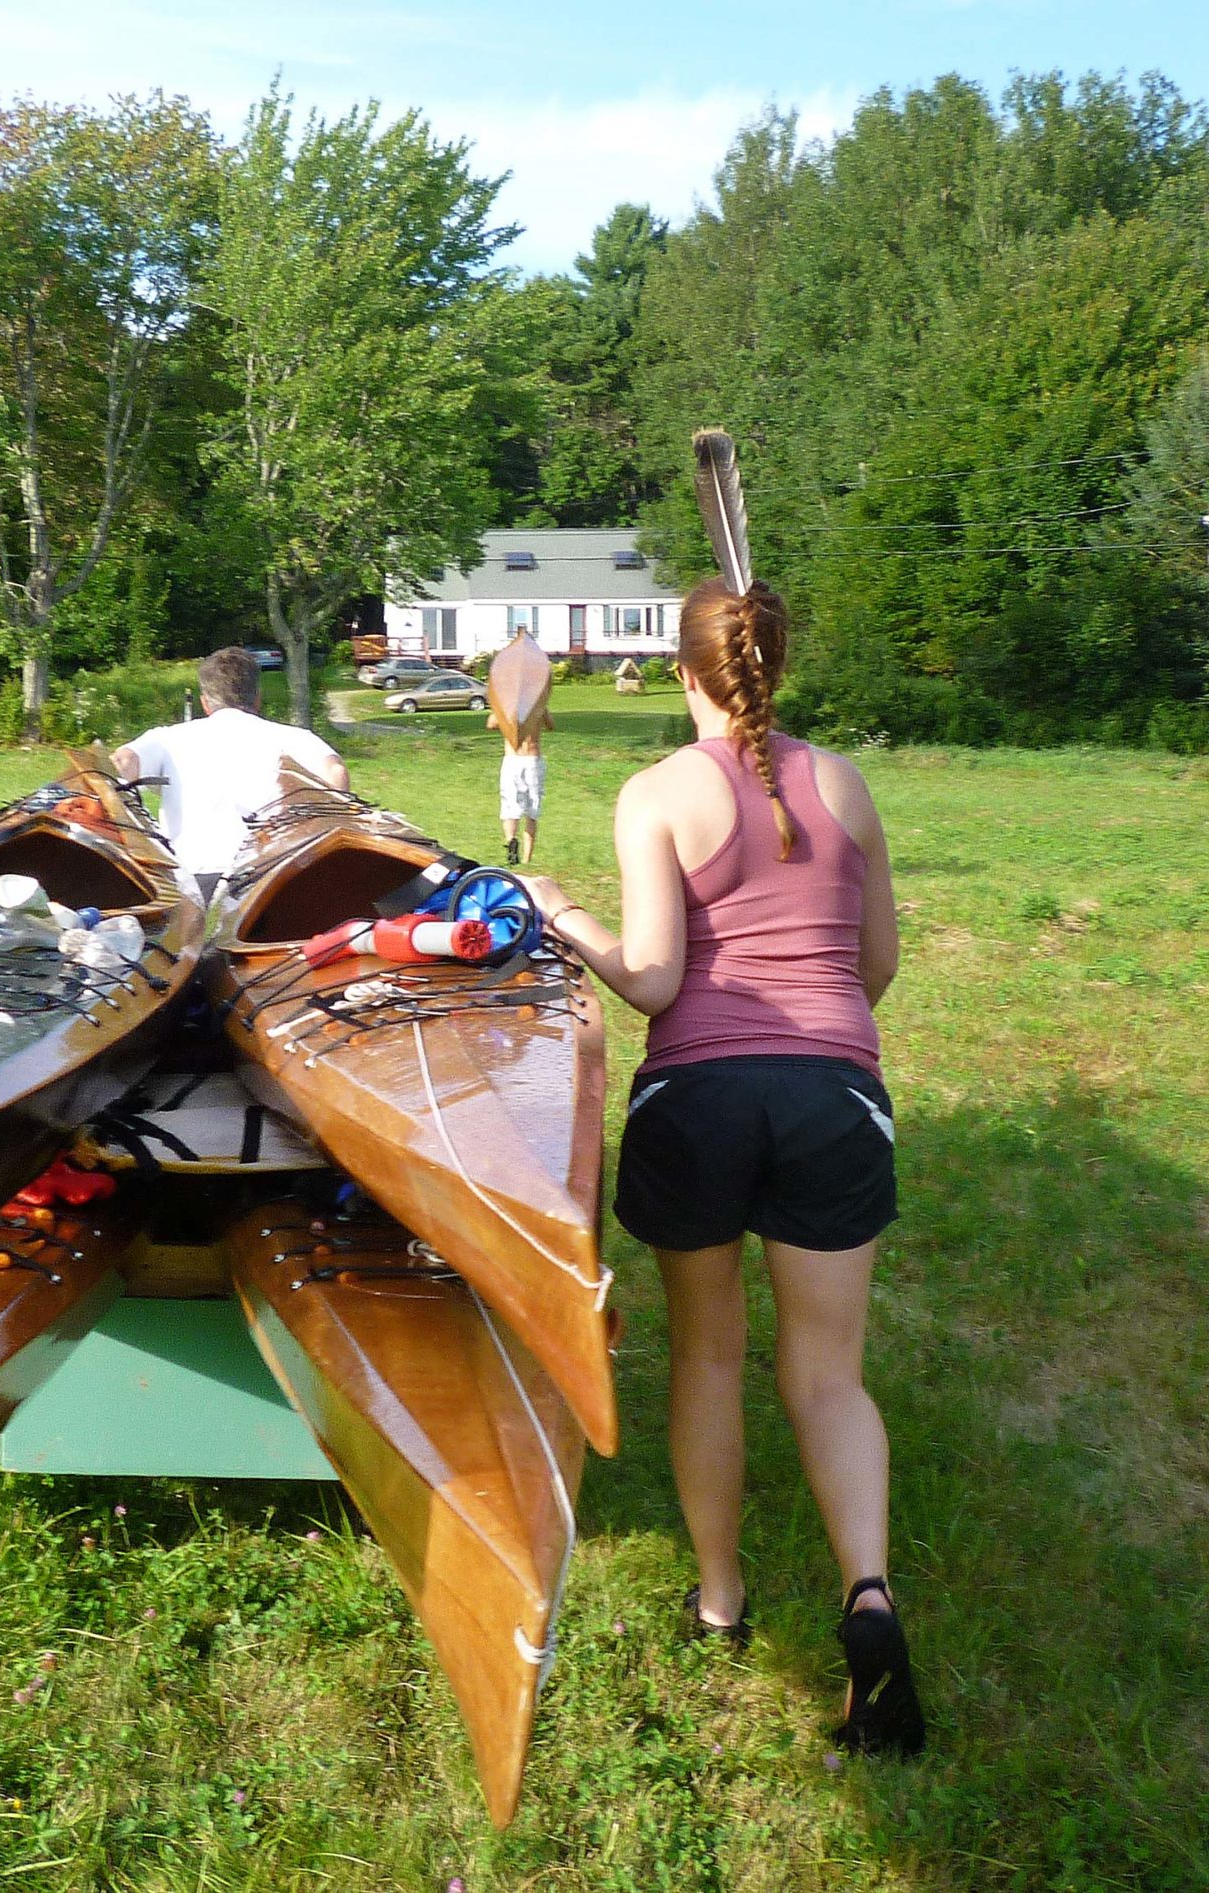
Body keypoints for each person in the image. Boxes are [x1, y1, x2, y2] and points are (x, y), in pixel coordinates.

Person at [523, 577, 926, 1758]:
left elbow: (648, 979)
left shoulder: (655, 793)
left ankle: (719, 1601)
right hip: (832, 1095)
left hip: (694, 1096)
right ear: (772, 668)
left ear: (685, 673)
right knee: (828, 1375)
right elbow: (876, 962)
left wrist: (562, 916)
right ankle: (867, 1595)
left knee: (706, 1351)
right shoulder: (843, 782)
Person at [114, 647, 349, 902]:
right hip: (271, 876)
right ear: (257, 698)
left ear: (205, 703)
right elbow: (336, 773)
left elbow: (124, 760)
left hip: (191, 880)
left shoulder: (167, 738)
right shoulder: (295, 737)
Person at [488, 663, 552, 867]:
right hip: (532, 760)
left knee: (510, 806)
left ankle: (510, 842)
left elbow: (490, 724)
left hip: (513, 759)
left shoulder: (508, 706)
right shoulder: (538, 706)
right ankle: (526, 857)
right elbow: (551, 725)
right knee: (532, 809)